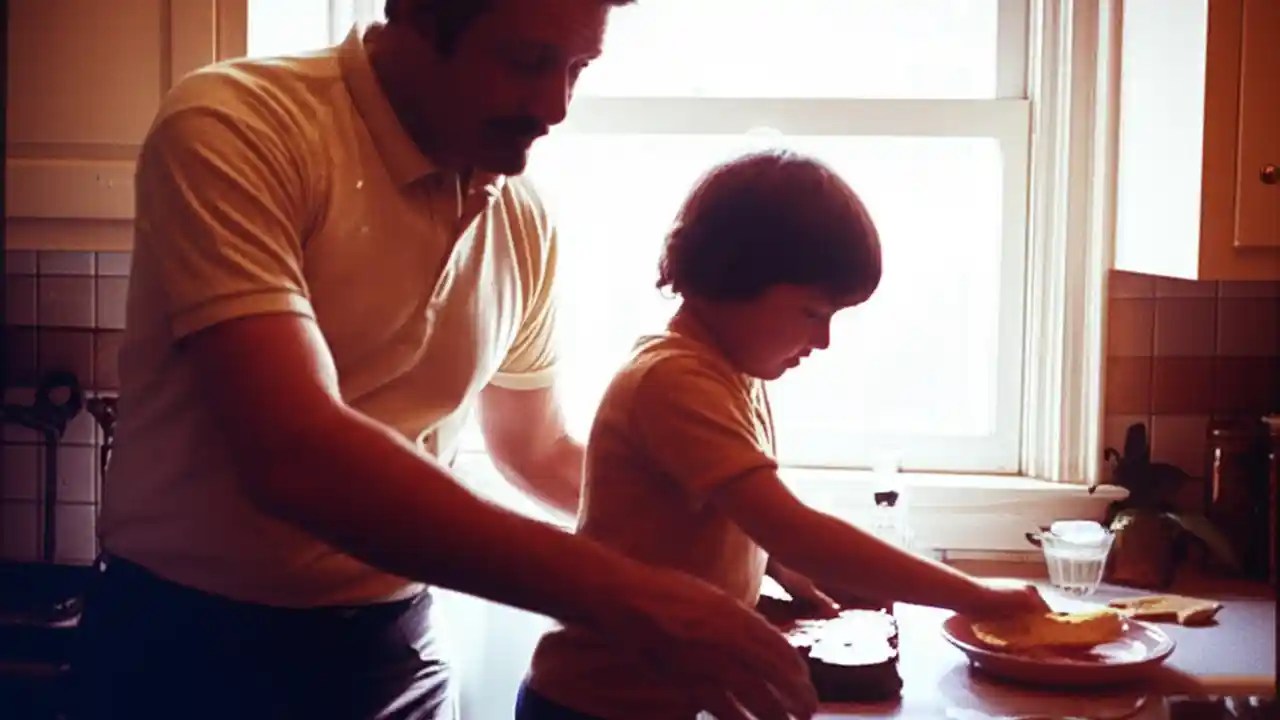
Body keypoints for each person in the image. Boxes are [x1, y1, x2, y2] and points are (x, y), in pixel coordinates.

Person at [72, 2, 818, 719]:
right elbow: (296, 453)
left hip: (398, 647)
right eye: (527, 61)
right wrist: (631, 595)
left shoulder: (522, 219)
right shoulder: (240, 124)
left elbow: (536, 449)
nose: (556, 107)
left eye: (578, 68)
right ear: (418, 18)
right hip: (188, 644)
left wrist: (732, 533)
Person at [518, 150, 1050, 719]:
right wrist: (978, 597)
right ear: (737, 276)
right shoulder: (674, 380)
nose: (822, 341)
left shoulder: (729, 374)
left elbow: (710, 514)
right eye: (812, 313)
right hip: (594, 705)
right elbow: (796, 528)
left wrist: (770, 565)